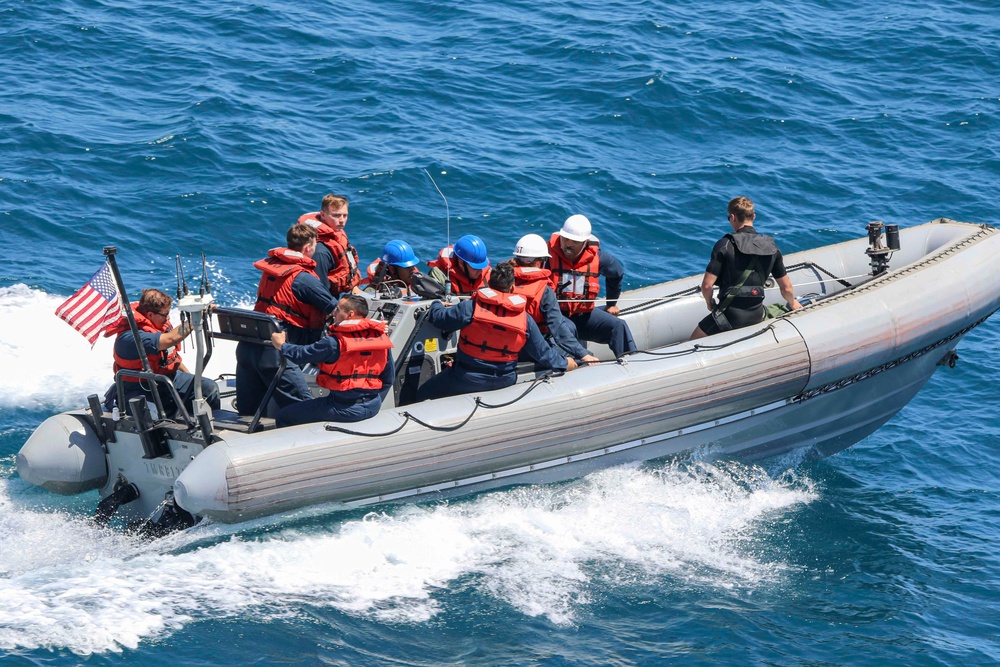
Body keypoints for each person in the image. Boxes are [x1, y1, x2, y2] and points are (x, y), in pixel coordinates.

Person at [417, 262, 577, 401]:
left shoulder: (469, 308)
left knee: (422, 394)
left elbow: (438, 318)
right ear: (512, 288)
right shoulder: (525, 319)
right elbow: (543, 353)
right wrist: (565, 363)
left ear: (488, 285)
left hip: (466, 378)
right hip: (504, 380)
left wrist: (436, 303)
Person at [235, 223, 339, 417]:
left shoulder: (272, 269)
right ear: (308, 247)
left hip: (248, 347)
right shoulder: (304, 278)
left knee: (249, 413)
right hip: (275, 352)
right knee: (306, 408)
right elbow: (335, 310)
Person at [270, 295, 395, 427]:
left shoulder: (334, 342)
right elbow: (388, 380)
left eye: (337, 310)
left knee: (283, 416)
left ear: (350, 314)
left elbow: (302, 355)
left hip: (343, 407)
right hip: (373, 405)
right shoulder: (381, 338)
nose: (333, 313)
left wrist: (282, 345)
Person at [690, 197, 802, 339]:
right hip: (756, 316)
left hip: (728, 317)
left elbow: (707, 286)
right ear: (753, 216)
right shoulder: (771, 247)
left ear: (732, 217)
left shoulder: (724, 245)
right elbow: (786, 288)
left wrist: (709, 303)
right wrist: (793, 303)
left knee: (692, 342)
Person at [104, 288, 221, 418]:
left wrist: (195, 384)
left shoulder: (159, 325)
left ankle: (208, 427)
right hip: (138, 388)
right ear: (150, 315)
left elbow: (173, 359)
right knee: (152, 415)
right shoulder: (131, 337)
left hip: (167, 380)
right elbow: (171, 339)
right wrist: (196, 318)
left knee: (209, 388)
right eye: (165, 315)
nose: (168, 318)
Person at [547, 214, 637, 358]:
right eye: (565, 239)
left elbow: (616, 273)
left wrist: (611, 303)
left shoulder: (599, 258)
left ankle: (632, 364)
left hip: (582, 316)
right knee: (569, 329)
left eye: (574, 241)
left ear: (585, 242)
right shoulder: (547, 256)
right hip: (555, 317)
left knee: (619, 326)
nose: (568, 244)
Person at [509, 234, 599, 365]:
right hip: (530, 350)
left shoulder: (503, 280)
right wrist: (583, 354)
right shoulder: (544, 290)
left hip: (507, 344)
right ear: (539, 262)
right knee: (572, 352)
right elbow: (557, 328)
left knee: (570, 327)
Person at [299, 194, 361, 296]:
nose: (342, 220)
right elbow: (318, 291)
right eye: (336, 215)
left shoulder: (337, 233)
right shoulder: (320, 251)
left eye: (345, 215)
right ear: (323, 215)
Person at [362, 239, 447, 300]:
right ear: (392, 269)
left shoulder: (420, 286)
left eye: (412, 266)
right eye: (407, 267)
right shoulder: (372, 292)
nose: (413, 270)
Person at [427, 234, 492, 295]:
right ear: (461, 263)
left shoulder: (490, 274)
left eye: (481, 267)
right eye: (475, 268)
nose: (480, 271)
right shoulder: (440, 275)